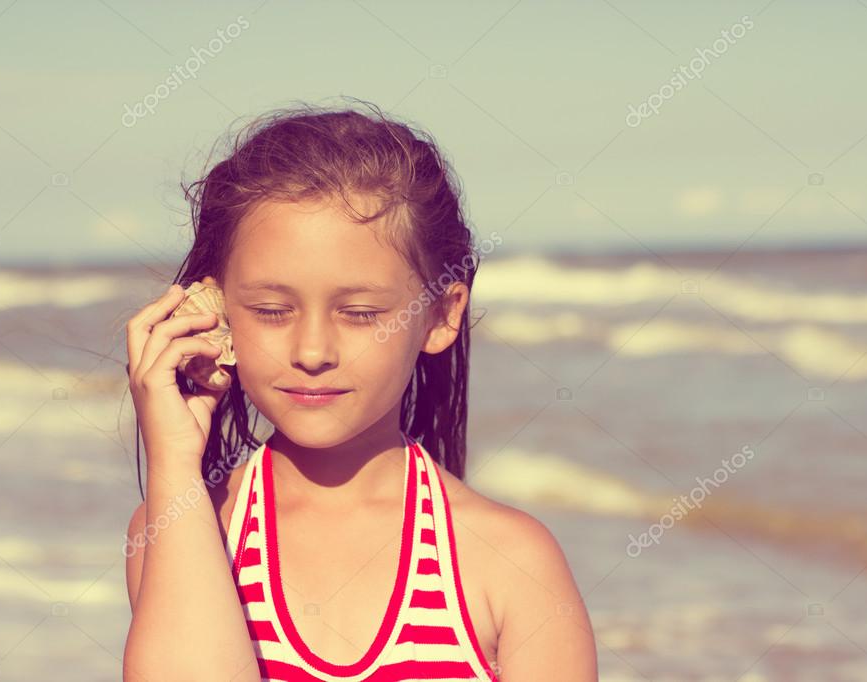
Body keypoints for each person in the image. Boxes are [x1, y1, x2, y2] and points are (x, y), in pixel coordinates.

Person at [121, 100, 597, 681]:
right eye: (272, 310)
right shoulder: (181, 527)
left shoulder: (511, 559)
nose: (313, 351)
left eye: (361, 312)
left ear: (441, 316)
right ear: (217, 312)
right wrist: (173, 461)